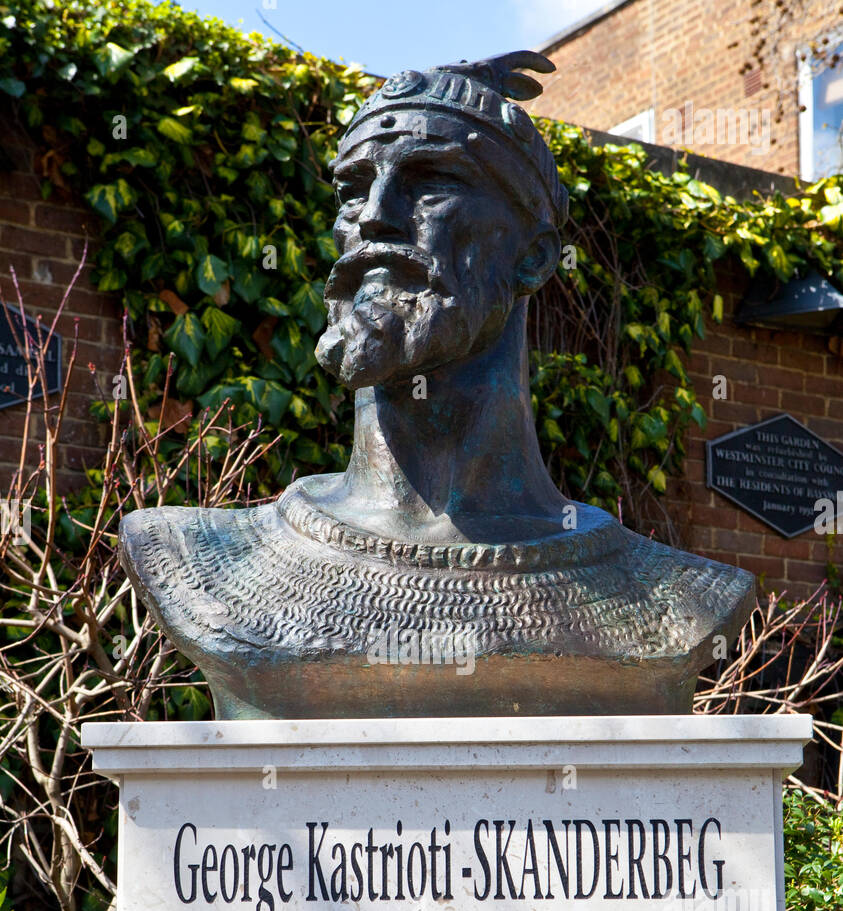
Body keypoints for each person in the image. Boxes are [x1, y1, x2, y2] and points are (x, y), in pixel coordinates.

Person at [119, 52, 754, 718]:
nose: (373, 217)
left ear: (534, 257)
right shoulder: (202, 562)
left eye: (429, 181)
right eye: (352, 189)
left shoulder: (675, 596)